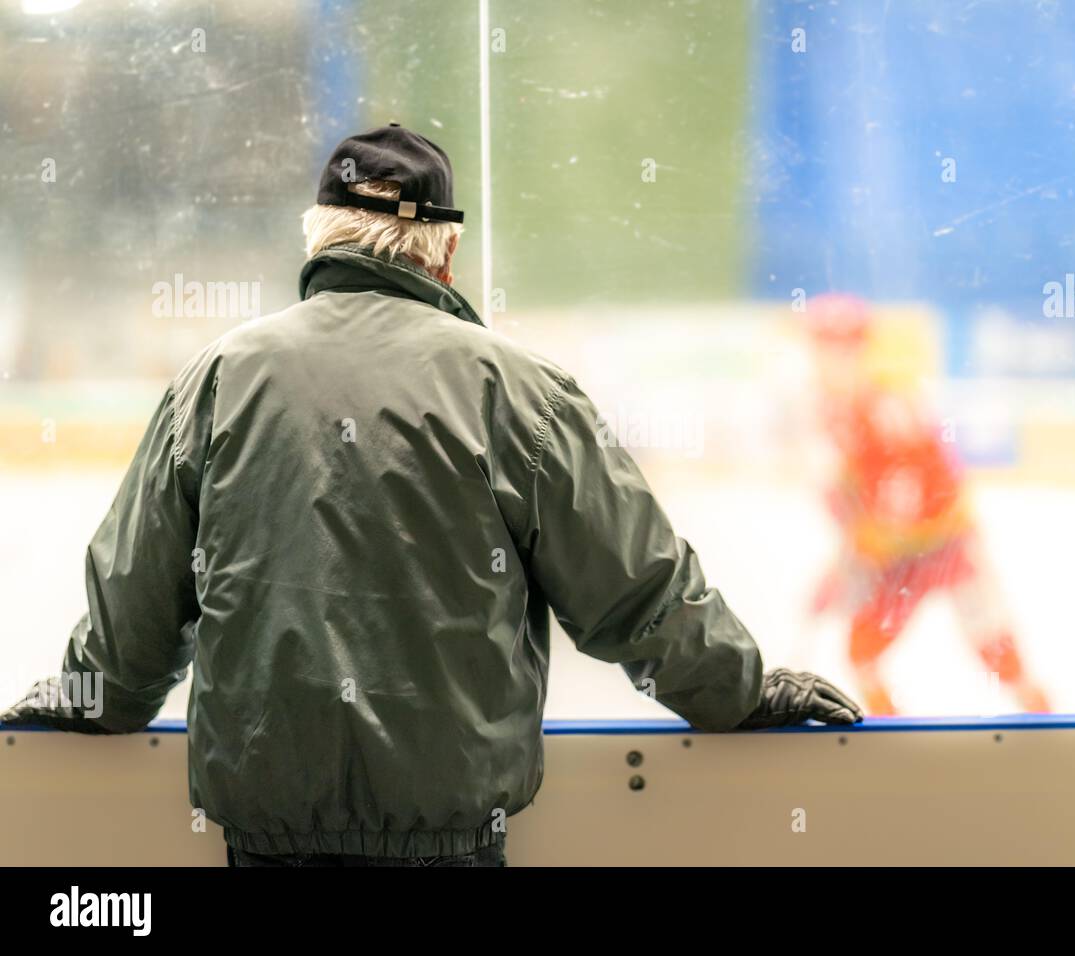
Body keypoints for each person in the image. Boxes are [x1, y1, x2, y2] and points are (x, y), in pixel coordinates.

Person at [1, 125, 861, 867]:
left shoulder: (218, 379)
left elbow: (137, 602)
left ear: (318, 242)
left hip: (266, 827)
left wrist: (89, 696)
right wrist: (737, 692)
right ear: (444, 250)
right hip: (449, 831)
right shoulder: (517, 390)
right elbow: (635, 590)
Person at [805, 293, 1048, 716]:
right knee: (862, 654)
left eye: (844, 348)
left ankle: (1050, 728)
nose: (832, 360)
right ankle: (893, 740)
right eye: (824, 348)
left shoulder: (885, 405)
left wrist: (857, 556)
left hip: (945, 545)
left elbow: (918, 489)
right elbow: (849, 499)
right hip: (899, 557)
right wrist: (849, 553)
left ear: (861, 351)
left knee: (998, 653)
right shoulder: (833, 411)